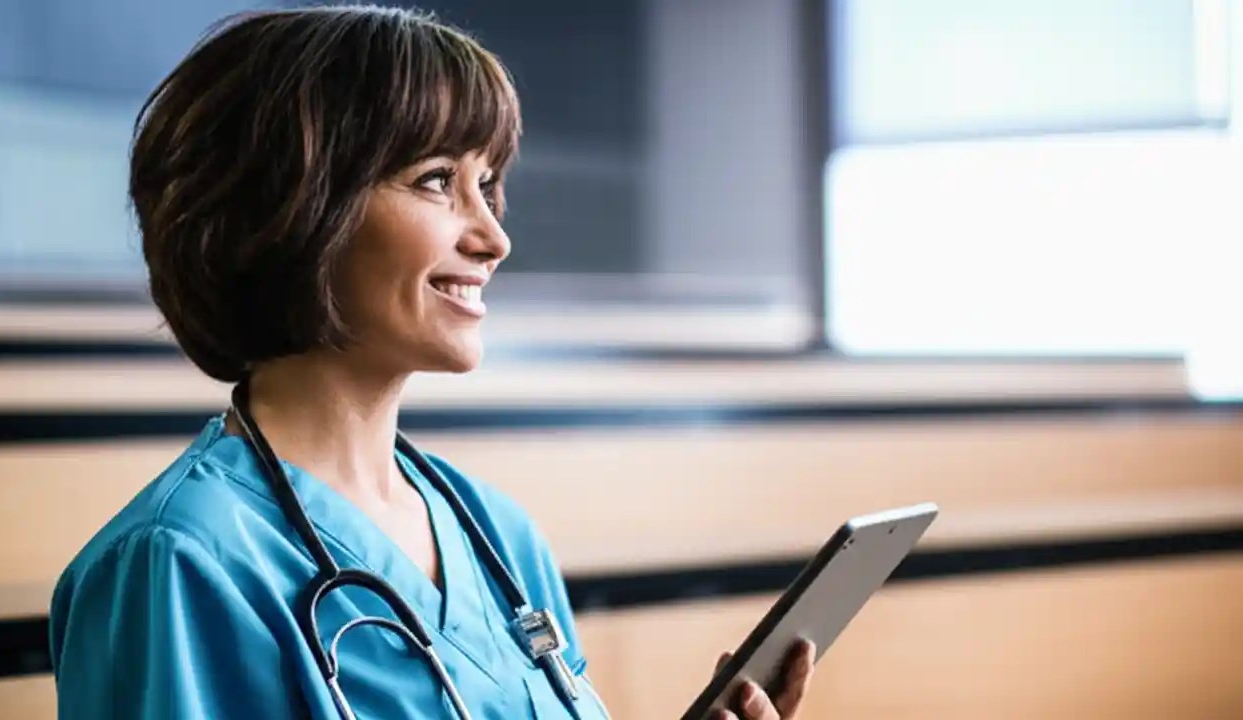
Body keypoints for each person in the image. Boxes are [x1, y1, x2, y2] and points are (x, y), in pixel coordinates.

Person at [48, 6, 816, 719]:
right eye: (437, 182)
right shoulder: (178, 562)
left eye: (487, 185)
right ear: (291, 208)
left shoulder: (496, 534)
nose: (493, 237)